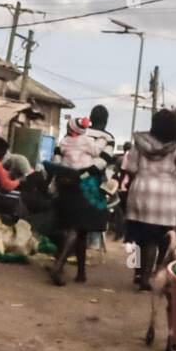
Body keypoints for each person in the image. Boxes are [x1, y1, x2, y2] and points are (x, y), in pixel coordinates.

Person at [124, 108, 176, 292]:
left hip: (140, 194)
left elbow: (132, 169)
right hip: (165, 200)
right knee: (154, 239)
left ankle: (139, 273)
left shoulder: (139, 145)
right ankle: (145, 278)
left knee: (142, 239)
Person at [47, 106, 118, 286]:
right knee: (79, 228)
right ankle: (60, 265)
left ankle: (80, 272)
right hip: (87, 187)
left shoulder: (70, 135)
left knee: (69, 225)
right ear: (106, 120)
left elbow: (56, 157)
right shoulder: (108, 138)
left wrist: (64, 176)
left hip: (64, 183)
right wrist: (82, 177)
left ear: (91, 118)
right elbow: (100, 165)